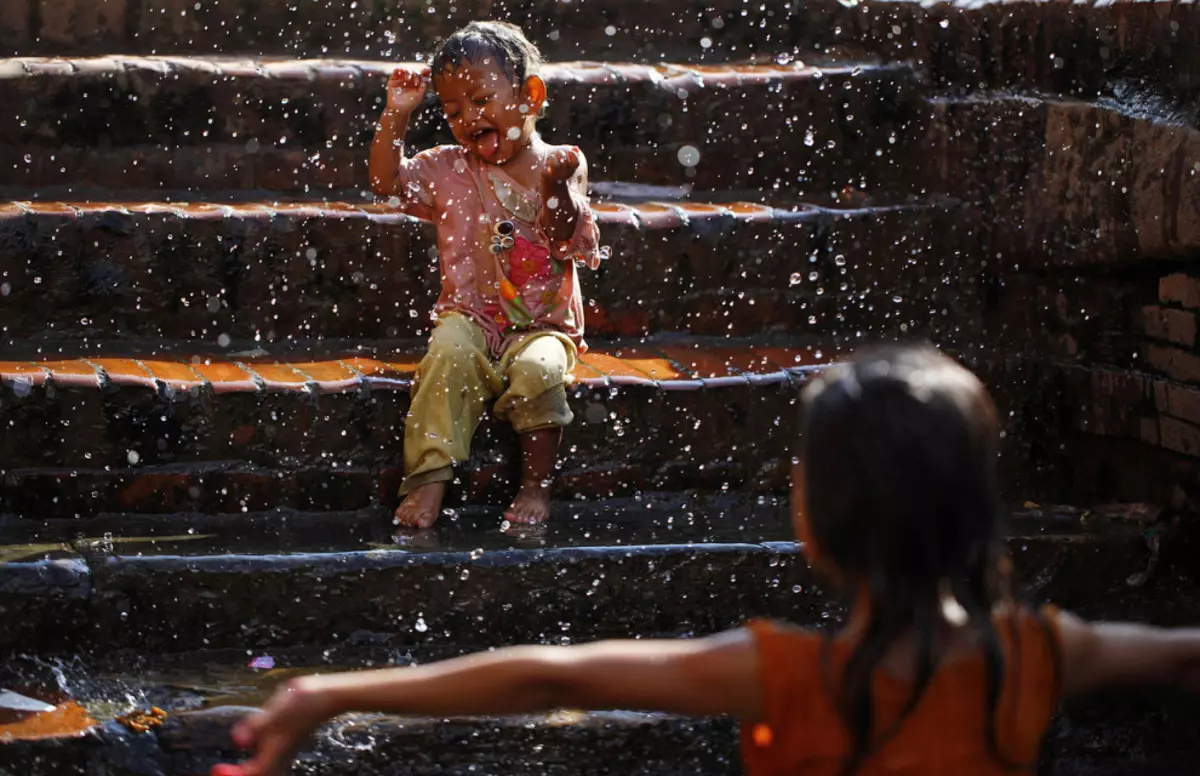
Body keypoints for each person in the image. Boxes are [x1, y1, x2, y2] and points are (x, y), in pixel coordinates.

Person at [211, 345, 1200, 776]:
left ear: (815, 523)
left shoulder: (783, 672)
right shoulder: (1043, 653)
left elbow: (557, 670)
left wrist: (329, 692)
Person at [371, 21, 603, 530]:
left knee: (541, 373)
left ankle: (535, 486)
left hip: (544, 324)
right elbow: (385, 181)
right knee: (446, 357)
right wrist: (396, 113)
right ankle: (429, 478)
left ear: (530, 96)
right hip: (470, 315)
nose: (467, 119)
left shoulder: (562, 162)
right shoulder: (450, 168)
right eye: (453, 111)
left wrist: (557, 187)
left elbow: (566, 234)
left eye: (480, 100)